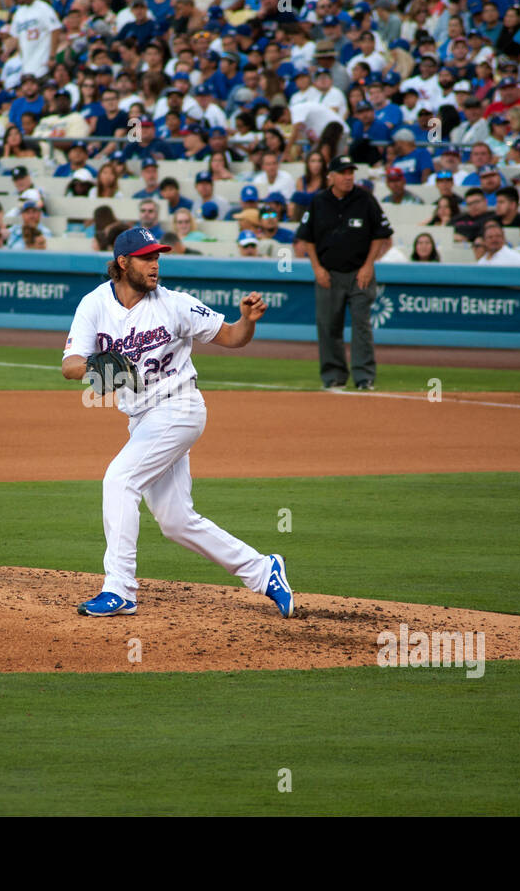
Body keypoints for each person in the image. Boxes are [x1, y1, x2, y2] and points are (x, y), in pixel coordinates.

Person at [59, 226, 295, 619]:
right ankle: (263, 569)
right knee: (176, 521)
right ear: (123, 263)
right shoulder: (94, 305)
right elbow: (69, 366)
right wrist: (93, 366)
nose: (155, 265)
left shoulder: (176, 304)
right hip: (143, 419)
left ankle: (120, 590)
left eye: (157, 257)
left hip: (180, 408)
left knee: (120, 479)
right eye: (147, 258)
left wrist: (247, 320)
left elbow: (233, 337)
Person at [295, 155, 394, 391]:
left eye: (351, 172)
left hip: (360, 272)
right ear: (331, 176)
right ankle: (334, 377)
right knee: (328, 326)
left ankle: (364, 377)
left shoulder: (365, 199)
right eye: (343, 173)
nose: (349, 177)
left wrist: (369, 265)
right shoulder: (319, 201)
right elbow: (306, 238)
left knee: (361, 326)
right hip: (328, 273)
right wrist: (317, 268)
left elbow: (381, 234)